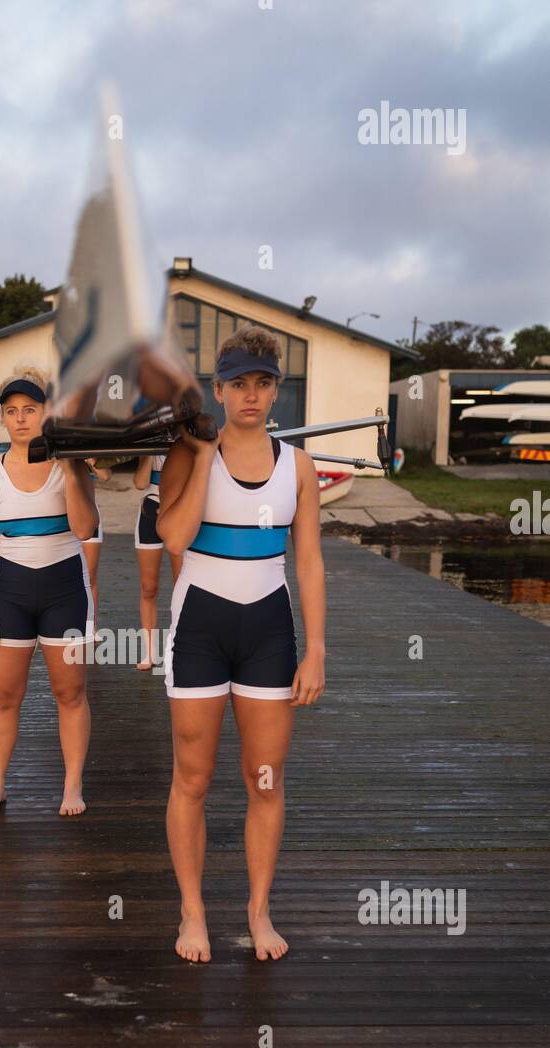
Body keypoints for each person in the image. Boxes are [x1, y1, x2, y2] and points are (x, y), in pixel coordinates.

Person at [157, 326, 325, 963]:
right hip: (199, 628)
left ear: (276, 390)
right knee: (192, 779)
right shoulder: (185, 454)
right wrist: (204, 457)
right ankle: (192, 911)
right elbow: (175, 538)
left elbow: (308, 562)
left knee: (265, 780)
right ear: (218, 390)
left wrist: (317, 649)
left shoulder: (298, 467)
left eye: (263, 382)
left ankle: (258, 910)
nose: (251, 394)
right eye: (238, 384)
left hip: (268, 634)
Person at [0, 366, 100, 817]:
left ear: (46, 414)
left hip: (66, 590)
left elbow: (85, 529)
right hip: (10, 595)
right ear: (2, 419)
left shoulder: (70, 467)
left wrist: (72, 468)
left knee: (71, 694)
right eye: (12, 411)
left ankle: (72, 786)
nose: (21, 418)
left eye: (30, 409)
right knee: (4, 696)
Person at [133, 454, 182, 670]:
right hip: (150, 510)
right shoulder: (150, 445)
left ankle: (180, 646)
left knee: (181, 585)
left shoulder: (187, 443)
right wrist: (148, 453)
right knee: (148, 587)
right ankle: (149, 652)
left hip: (178, 512)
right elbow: (140, 483)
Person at [81, 460, 111, 638]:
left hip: (88, 513)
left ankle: (90, 626)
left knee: (90, 575)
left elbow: (105, 475)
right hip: (59, 515)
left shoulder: (86, 450)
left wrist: (91, 459)